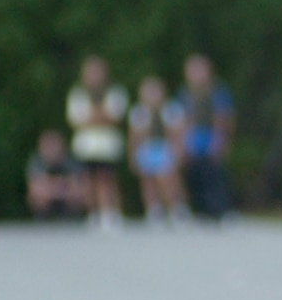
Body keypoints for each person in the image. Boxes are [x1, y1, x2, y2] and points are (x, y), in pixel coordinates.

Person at [66, 55, 129, 229]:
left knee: (107, 178)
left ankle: (110, 212)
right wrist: (100, 115)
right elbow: (77, 121)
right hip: (86, 146)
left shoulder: (115, 92)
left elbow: (114, 118)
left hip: (108, 145)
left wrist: (92, 117)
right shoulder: (78, 94)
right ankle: (93, 213)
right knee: (88, 180)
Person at [178, 54, 235, 220]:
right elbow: (181, 120)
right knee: (195, 174)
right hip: (192, 137)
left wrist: (221, 139)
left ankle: (222, 210)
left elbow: (224, 117)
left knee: (215, 175)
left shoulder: (218, 92)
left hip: (211, 135)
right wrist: (183, 142)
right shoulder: (185, 94)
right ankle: (202, 211)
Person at [128, 75, 190, 225]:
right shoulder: (139, 112)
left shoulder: (171, 109)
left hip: (165, 147)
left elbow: (178, 133)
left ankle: (177, 208)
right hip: (147, 148)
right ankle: (154, 209)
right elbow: (134, 136)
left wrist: (179, 151)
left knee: (169, 179)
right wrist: (133, 154)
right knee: (148, 181)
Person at [26, 129, 89, 220]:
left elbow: (78, 184)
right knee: (39, 196)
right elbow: (36, 186)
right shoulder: (37, 162)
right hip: (53, 194)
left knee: (78, 193)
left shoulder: (70, 161)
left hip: (65, 194)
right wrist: (60, 185)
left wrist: (53, 185)